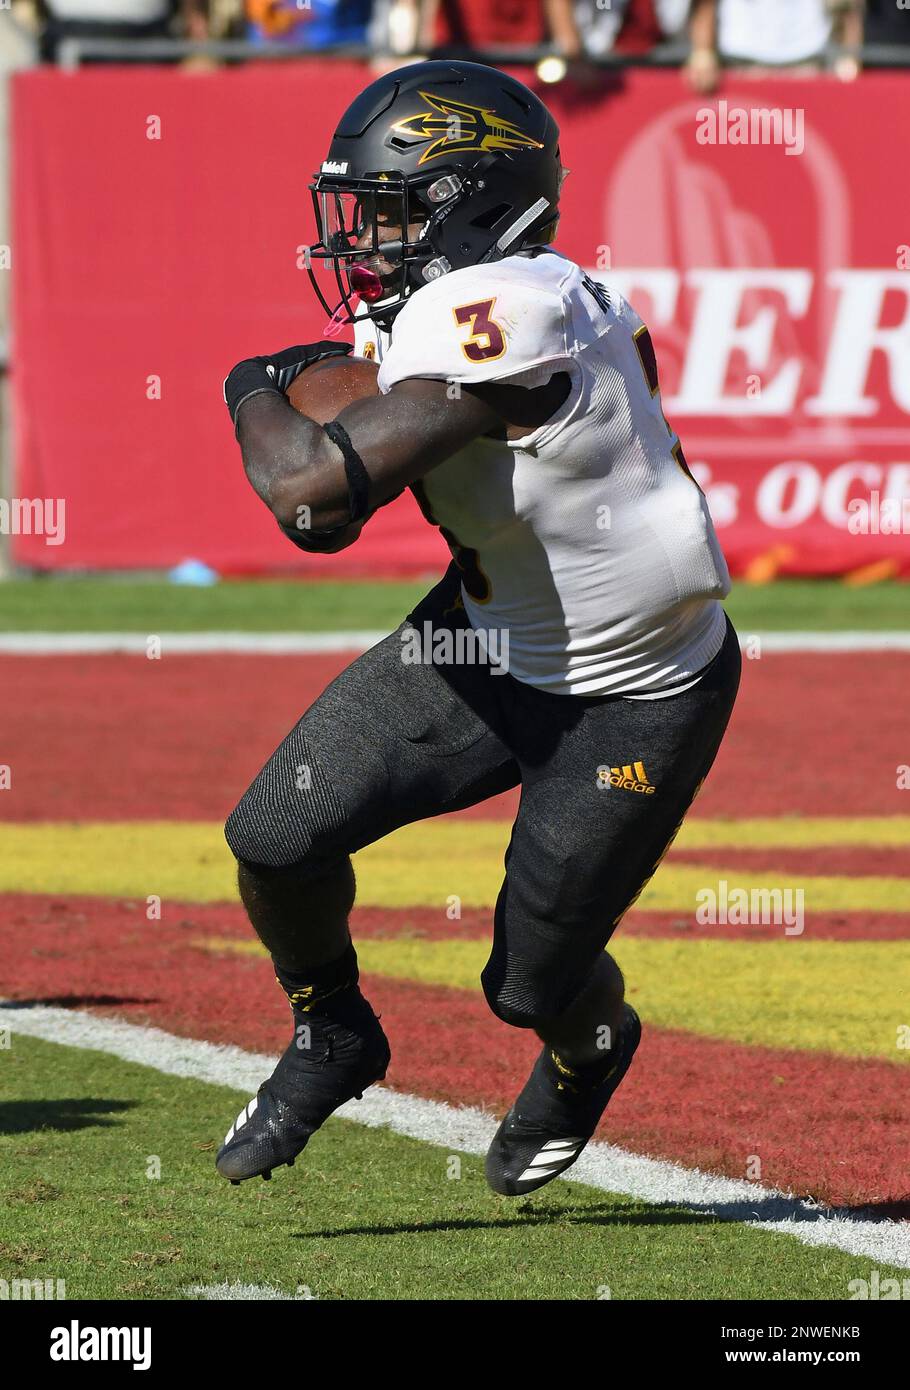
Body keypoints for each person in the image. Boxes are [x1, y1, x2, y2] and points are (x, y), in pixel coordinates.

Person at [218, 59, 741, 1196]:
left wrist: (250, 377)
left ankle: (587, 1043)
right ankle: (332, 1031)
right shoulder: (484, 300)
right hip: (488, 639)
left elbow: (312, 501)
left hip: (634, 687)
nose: (367, 237)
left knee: (530, 983)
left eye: (395, 208)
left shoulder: (511, 308)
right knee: (273, 837)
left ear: (468, 202)